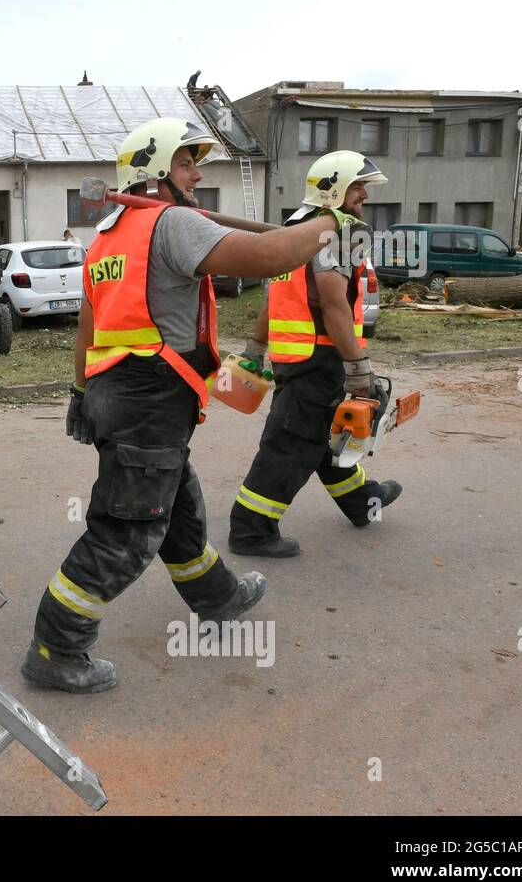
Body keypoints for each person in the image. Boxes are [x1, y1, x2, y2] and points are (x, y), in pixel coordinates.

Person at [20, 118, 359, 694]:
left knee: (177, 505)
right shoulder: (170, 223)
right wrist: (330, 223)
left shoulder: (107, 238)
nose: (197, 173)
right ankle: (56, 648)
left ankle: (217, 597)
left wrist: (79, 393)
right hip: (148, 400)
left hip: (118, 395)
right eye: (185, 163)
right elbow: (269, 256)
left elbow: (87, 327)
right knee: (125, 532)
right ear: (156, 174)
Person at [228, 150, 401, 557]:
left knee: (322, 436)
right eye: (358, 187)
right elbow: (333, 303)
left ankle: (363, 502)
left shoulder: (294, 231)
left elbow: (274, 298)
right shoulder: (338, 234)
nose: (364, 196)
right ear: (334, 189)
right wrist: (358, 368)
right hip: (321, 360)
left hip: (295, 357)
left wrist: (256, 349)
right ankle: (250, 530)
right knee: (290, 444)